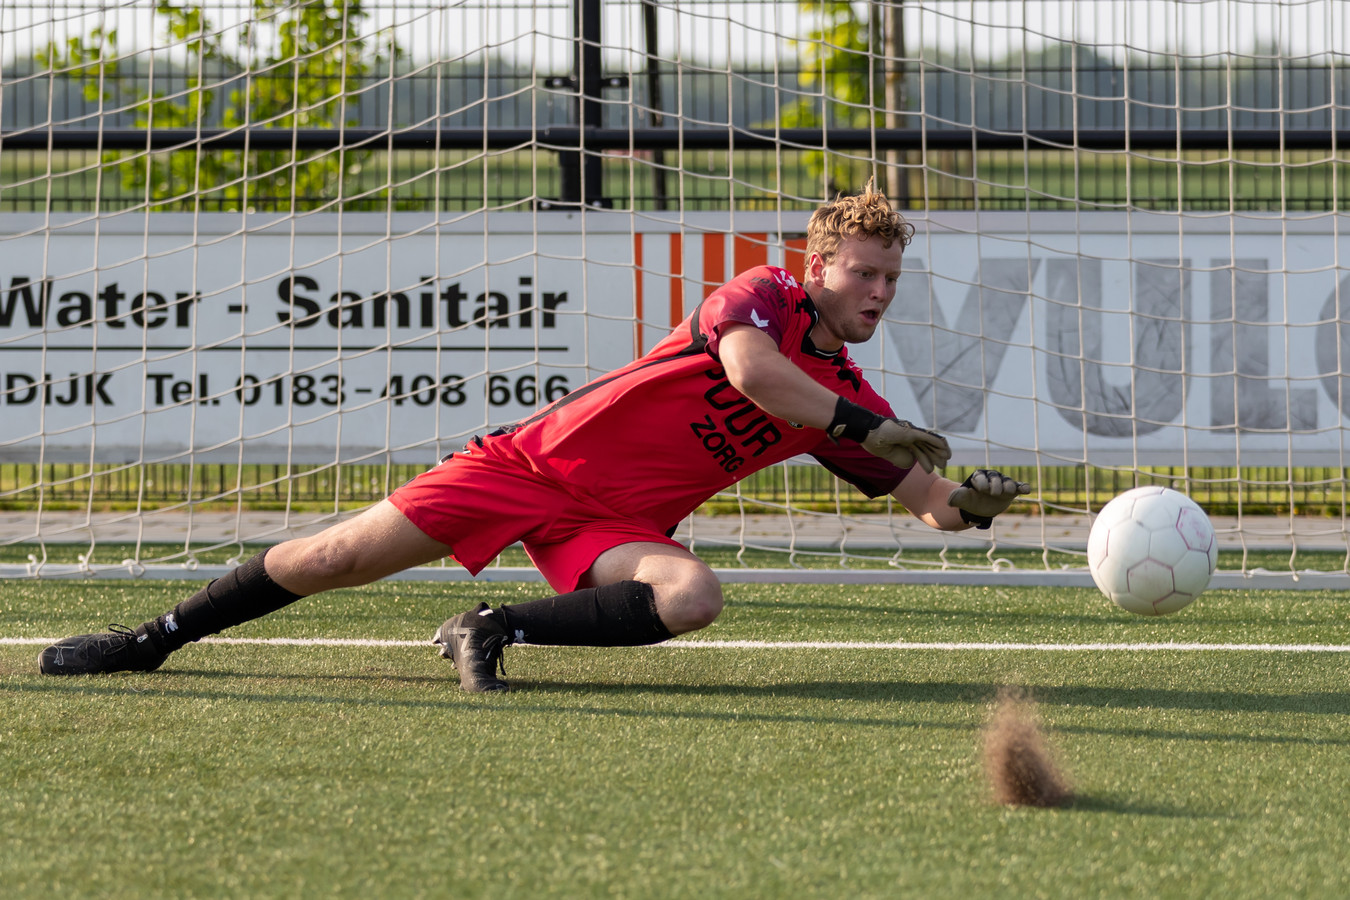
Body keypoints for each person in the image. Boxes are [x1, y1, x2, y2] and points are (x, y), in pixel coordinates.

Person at [38, 181, 1031, 692]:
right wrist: (871, 423)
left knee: (692, 594)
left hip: (615, 524)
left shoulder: (848, 390)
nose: (879, 294)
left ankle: (494, 626)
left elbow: (929, 503)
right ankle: (148, 642)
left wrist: (971, 508)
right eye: (863, 273)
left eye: (891, 280)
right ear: (816, 264)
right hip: (529, 466)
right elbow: (751, 376)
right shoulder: (762, 300)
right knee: (329, 556)